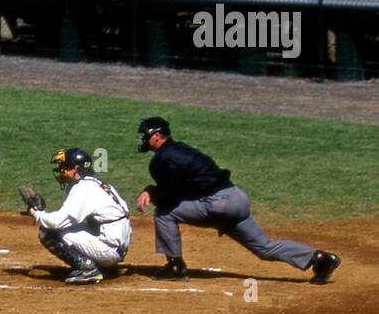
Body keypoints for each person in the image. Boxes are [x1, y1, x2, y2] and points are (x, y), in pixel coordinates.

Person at [135, 116, 341, 284]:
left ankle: (175, 266)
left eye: (146, 135)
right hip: (236, 198)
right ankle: (320, 259)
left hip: (217, 205)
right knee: (264, 248)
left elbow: (171, 195)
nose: (143, 139)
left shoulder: (161, 160)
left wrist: (151, 191)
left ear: (157, 137)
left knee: (164, 212)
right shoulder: (181, 149)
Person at [25, 148, 132, 285]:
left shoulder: (83, 188)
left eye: (63, 168)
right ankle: (99, 264)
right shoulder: (101, 185)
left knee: (49, 232)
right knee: (73, 224)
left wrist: (37, 213)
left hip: (108, 251)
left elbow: (58, 222)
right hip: (117, 247)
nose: (60, 172)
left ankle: (87, 269)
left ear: (75, 169)